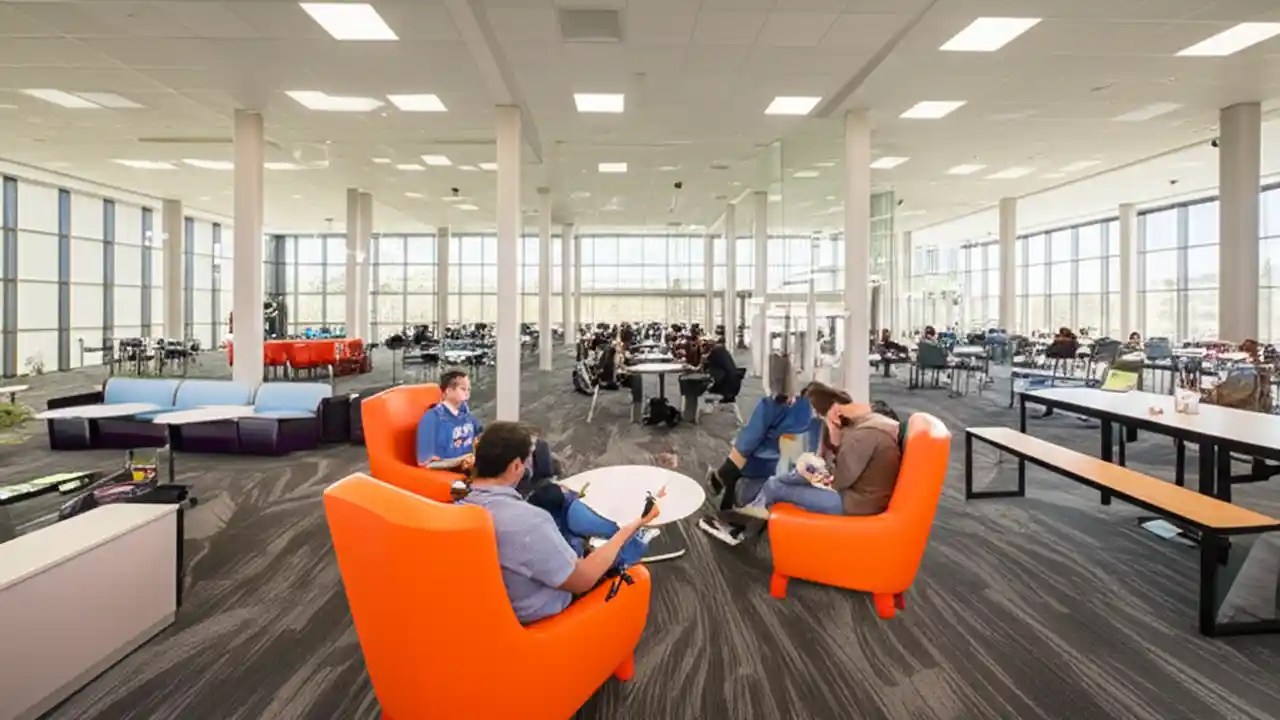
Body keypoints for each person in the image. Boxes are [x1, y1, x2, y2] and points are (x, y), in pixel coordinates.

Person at [458, 422, 660, 624]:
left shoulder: (457, 504)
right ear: (516, 467)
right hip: (540, 617)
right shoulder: (530, 521)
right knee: (619, 567)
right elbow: (583, 579)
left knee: (557, 508)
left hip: (491, 607)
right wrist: (630, 528)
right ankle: (633, 545)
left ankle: (581, 543)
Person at [729, 382, 902, 521]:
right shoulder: (871, 429)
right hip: (860, 498)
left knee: (768, 487)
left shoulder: (862, 435)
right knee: (780, 482)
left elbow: (839, 480)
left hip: (853, 503)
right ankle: (752, 511)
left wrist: (822, 463)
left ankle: (748, 517)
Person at [698, 354, 812, 545]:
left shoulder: (770, 405)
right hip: (791, 461)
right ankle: (721, 483)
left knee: (739, 455)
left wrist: (737, 448)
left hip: (765, 465)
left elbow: (749, 441)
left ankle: (726, 506)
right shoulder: (805, 404)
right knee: (743, 453)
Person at [416, 370, 484, 468]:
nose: (467, 393)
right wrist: (462, 459)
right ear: (448, 391)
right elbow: (426, 464)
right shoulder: (431, 418)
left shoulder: (467, 415)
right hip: (447, 474)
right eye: (463, 389)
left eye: (469, 389)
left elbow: (480, 437)